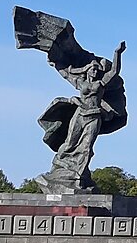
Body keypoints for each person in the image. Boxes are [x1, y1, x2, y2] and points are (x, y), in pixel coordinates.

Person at [34, 41, 126, 193]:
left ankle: (78, 178)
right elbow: (65, 73)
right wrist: (54, 61)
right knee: (70, 143)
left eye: (97, 70)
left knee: (86, 147)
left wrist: (117, 53)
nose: (95, 72)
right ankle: (59, 168)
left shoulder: (101, 84)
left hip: (94, 117)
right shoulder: (81, 83)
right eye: (93, 70)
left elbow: (114, 71)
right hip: (80, 115)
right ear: (88, 71)